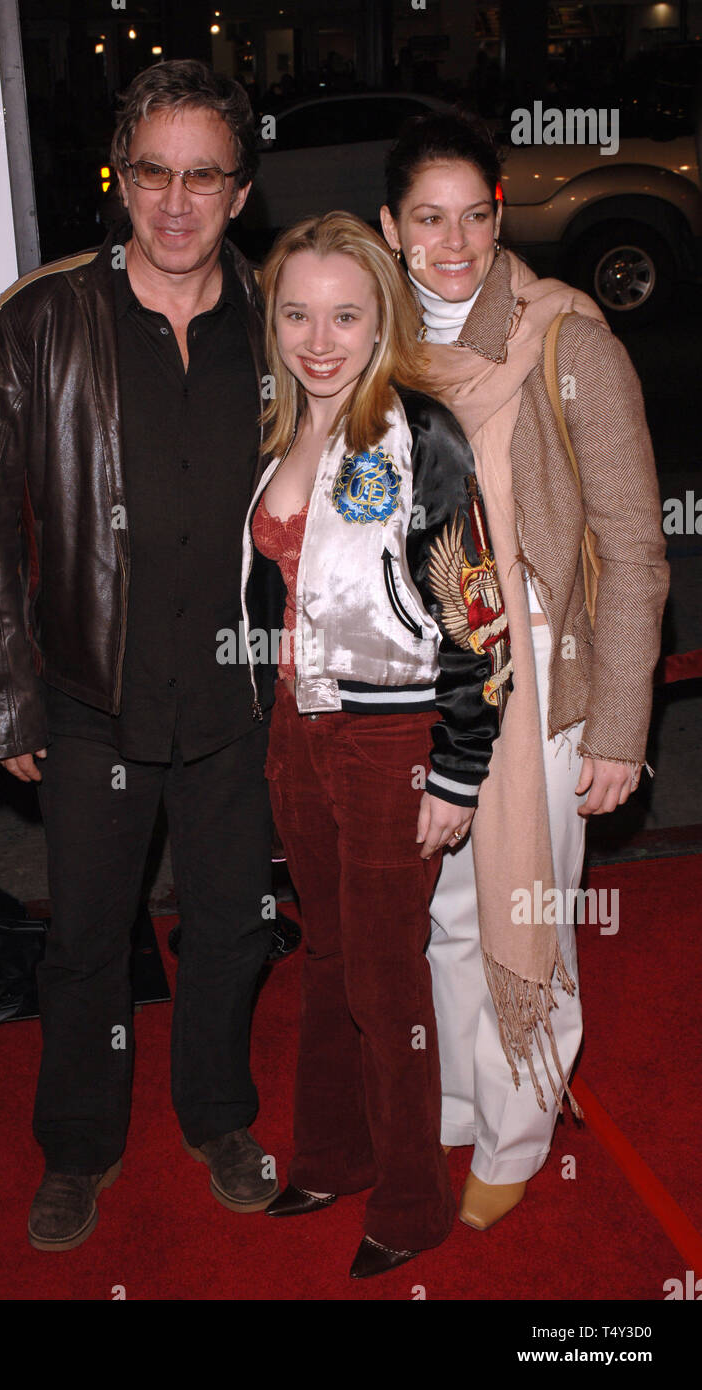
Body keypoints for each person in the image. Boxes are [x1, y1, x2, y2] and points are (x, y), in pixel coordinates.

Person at [0, 59, 285, 1252]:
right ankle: (79, 1147)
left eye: (204, 176)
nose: (177, 202)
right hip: (90, 696)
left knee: (233, 924)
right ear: (119, 175)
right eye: (154, 172)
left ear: (240, 191)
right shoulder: (43, 317)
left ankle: (217, 1118)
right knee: (87, 942)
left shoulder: (279, 315)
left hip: (241, 695)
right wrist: (7, 699)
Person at [379, 111, 669, 1230]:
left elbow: (633, 545)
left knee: (525, 898)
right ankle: (461, 1096)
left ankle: (518, 1124)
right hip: (421, 673)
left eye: (474, 214)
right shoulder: (371, 346)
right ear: (392, 230)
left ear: (500, 212)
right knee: (446, 907)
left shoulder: (565, 337)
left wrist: (618, 727)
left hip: (541, 678)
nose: (453, 241)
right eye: (427, 218)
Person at [244, 211, 509, 1277]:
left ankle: (411, 1199)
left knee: (385, 980)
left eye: (345, 314)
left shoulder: (419, 431)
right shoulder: (275, 424)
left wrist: (457, 763)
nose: (320, 337)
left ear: (379, 316)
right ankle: (331, 1151)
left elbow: (474, 613)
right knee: (328, 955)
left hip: (390, 734)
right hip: (294, 728)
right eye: (298, 313)